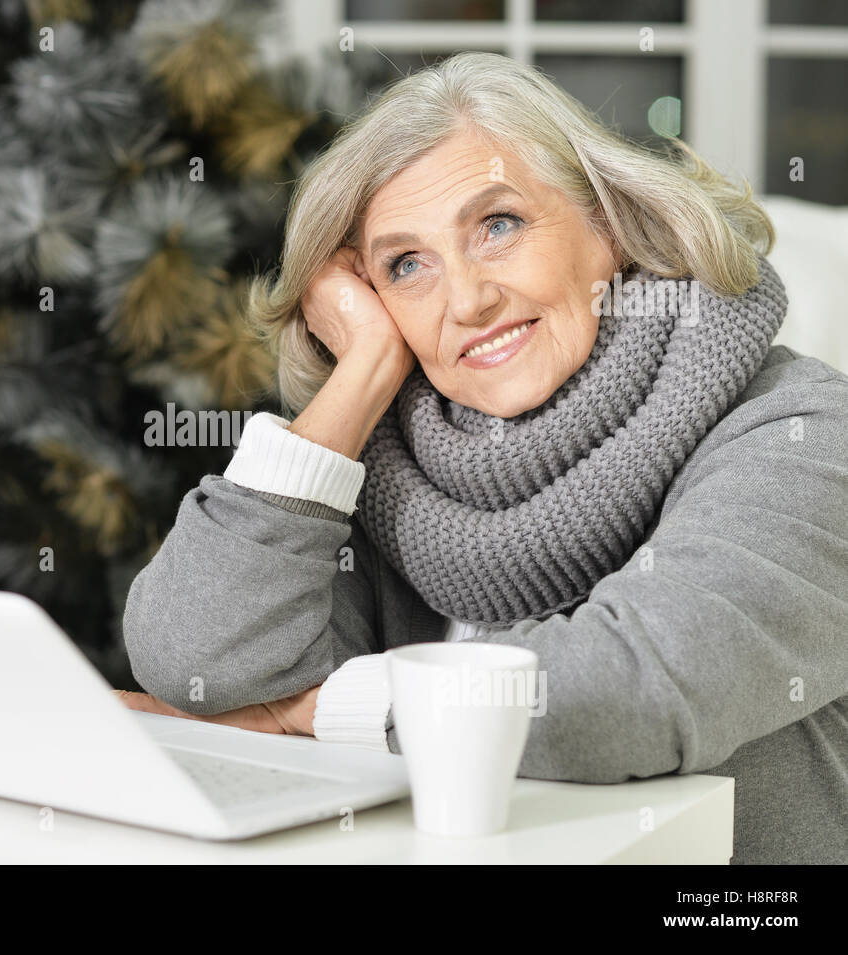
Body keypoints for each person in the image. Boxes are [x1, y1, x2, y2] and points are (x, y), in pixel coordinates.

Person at [117, 52, 848, 865]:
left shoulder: (800, 429)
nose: (466, 300)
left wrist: (320, 710)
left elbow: (634, 686)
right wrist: (362, 372)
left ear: (608, 226)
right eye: (407, 265)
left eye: (498, 225)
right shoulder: (385, 467)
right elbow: (196, 660)